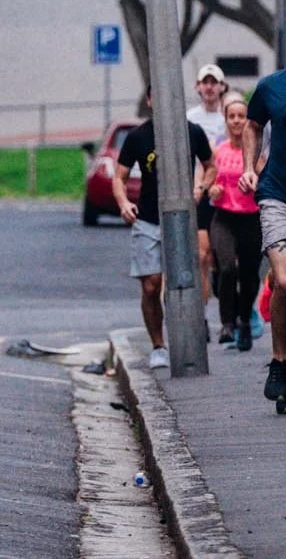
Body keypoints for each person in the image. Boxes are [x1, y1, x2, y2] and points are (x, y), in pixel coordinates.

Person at [112, 92, 214, 372]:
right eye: (158, 95)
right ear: (149, 100)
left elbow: (210, 166)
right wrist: (123, 203)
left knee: (182, 283)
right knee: (151, 285)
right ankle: (158, 346)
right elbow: (119, 177)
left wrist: (200, 189)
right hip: (147, 219)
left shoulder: (192, 132)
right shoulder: (138, 137)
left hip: (182, 219)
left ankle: (189, 340)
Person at [239, 34, 286, 415]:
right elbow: (251, 125)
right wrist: (249, 167)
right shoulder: (272, 86)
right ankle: (278, 359)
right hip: (278, 192)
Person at [206, 93, 261, 351]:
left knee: (250, 275)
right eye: (232, 117)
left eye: (241, 116)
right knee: (227, 268)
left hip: (251, 218)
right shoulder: (219, 151)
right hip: (224, 217)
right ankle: (227, 324)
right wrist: (212, 190)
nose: (237, 121)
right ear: (226, 120)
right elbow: (211, 180)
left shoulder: (257, 151)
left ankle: (245, 320)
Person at [187, 64, 228, 312]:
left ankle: (227, 305)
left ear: (222, 87)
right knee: (201, 255)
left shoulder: (230, 117)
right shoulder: (190, 119)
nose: (210, 87)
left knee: (219, 256)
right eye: (206, 82)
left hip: (226, 192)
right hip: (199, 190)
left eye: (214, 82)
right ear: (198, 87)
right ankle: (200, 315)